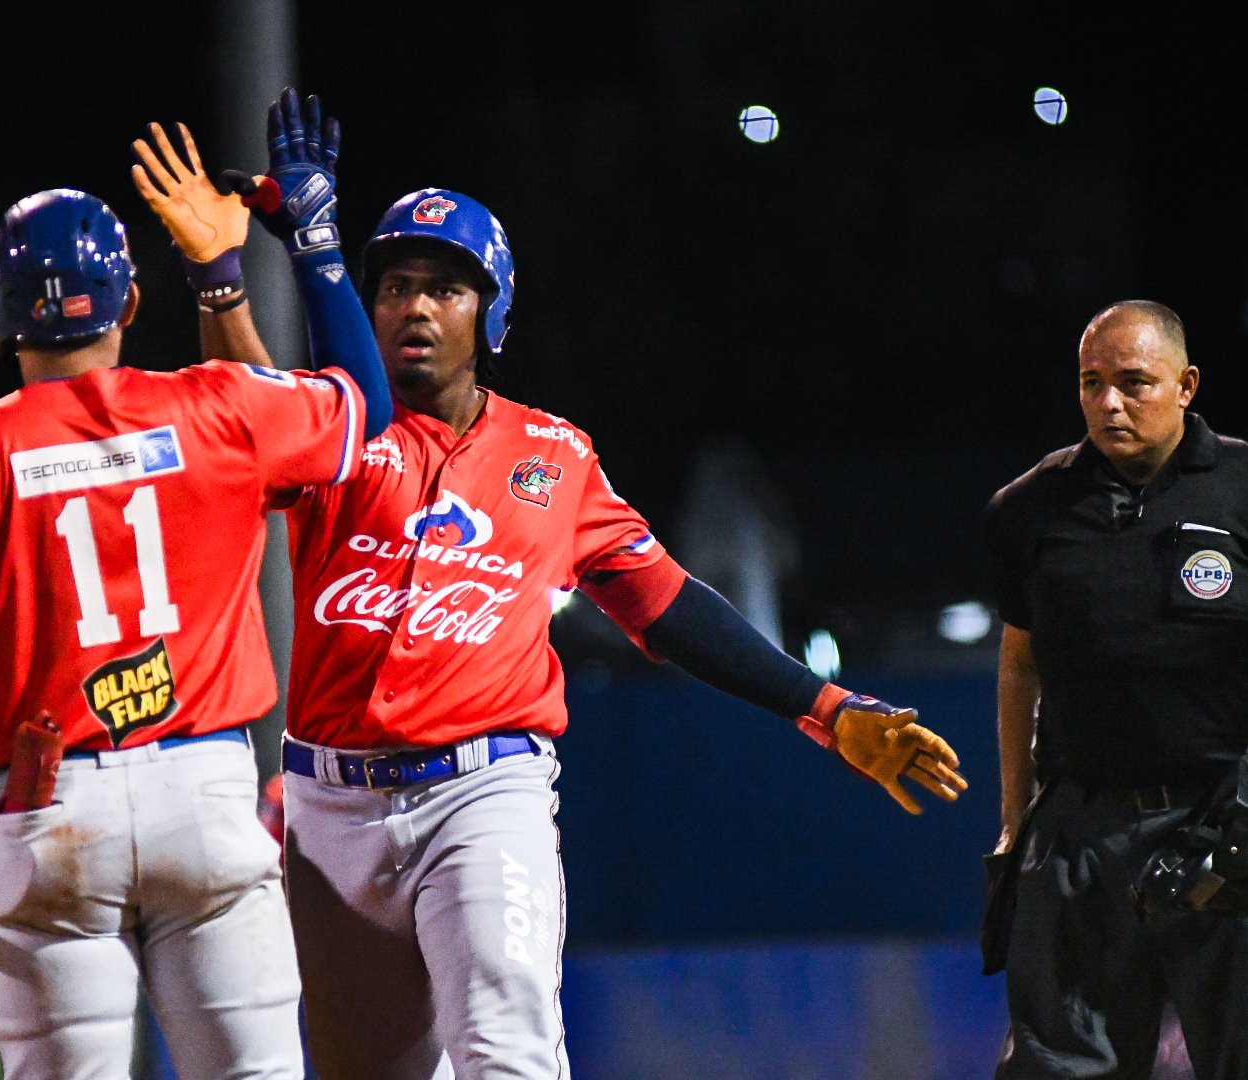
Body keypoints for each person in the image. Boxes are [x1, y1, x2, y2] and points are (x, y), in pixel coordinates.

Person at [161, 86, 968, 1080]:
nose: (415, 305)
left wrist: (824, 705)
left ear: (492, 316)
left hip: (482, 791)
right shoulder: (337, 430)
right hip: (328, 808)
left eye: (446, 288)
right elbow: (243, 405)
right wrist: (225, 280)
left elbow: (666, 607)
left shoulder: (555, 455)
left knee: (506, 1048)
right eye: (396, 285)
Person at [0, 114, 391, 1080]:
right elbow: (359, 403)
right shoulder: (217, 410)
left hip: (47, 812)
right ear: (127, 303)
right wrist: (304, 243)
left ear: (0, 323)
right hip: (205, 796)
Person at [985, 299, 1248, 1077]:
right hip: (1085, 831)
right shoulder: (1027, 508)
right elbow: (1019, 662)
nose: (1109, 402)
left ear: (1186, 384)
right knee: (1057, 1066)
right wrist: (1014, 817)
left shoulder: (1243, 489)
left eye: (1134, 382)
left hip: (1226, 813)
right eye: (1091, 382)